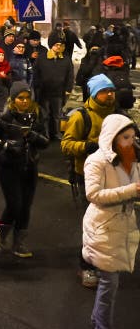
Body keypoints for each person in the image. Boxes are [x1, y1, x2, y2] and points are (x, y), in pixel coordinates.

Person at [61, 74, 120, 289]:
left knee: (110, 222)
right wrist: (87, 147)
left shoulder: (117, 114)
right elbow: (66, 145)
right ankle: (86, 266)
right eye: (105, 91)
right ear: (95, 93)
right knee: (94, 224)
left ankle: (102, 260)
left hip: (113, 176)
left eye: (111, 90)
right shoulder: (81, 117)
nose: (110, 94)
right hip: (87, 176)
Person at [81, 114, 139, 329]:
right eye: (125, 137)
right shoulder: (96, 161)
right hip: (103, 227)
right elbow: (93, 194)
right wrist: (131, 190)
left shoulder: (131, 158)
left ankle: (98, 321)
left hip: (122, 225)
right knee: (109, 283)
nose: (130, 141)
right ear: (112, 137)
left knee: (110, 284)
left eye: (132, 137)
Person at [0, 82, 49, 258]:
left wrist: (30, 135)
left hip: (30, 166)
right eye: (20, 98)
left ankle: (19, 243)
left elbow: (46, 141)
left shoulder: (37, 116)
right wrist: (7, 146)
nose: (24, 101)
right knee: (14, 204)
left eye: (27, 98)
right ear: (13, 99)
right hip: (8, 167)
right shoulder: (4, 118)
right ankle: (2, 233)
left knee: (26, 206)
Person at [32, 39, 73, 140]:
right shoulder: (42, 58)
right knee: (45, 115)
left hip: (59, 92)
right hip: (44, 92)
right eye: (56, 44)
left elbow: (70, 75)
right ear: (51, 45)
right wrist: (37, 86)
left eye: (60, 45)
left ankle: (56, 133)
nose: (58, 47)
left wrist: (68, 88)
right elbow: (35, 73)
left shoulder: (66, 59)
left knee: (57, 115)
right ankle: (46, 134)